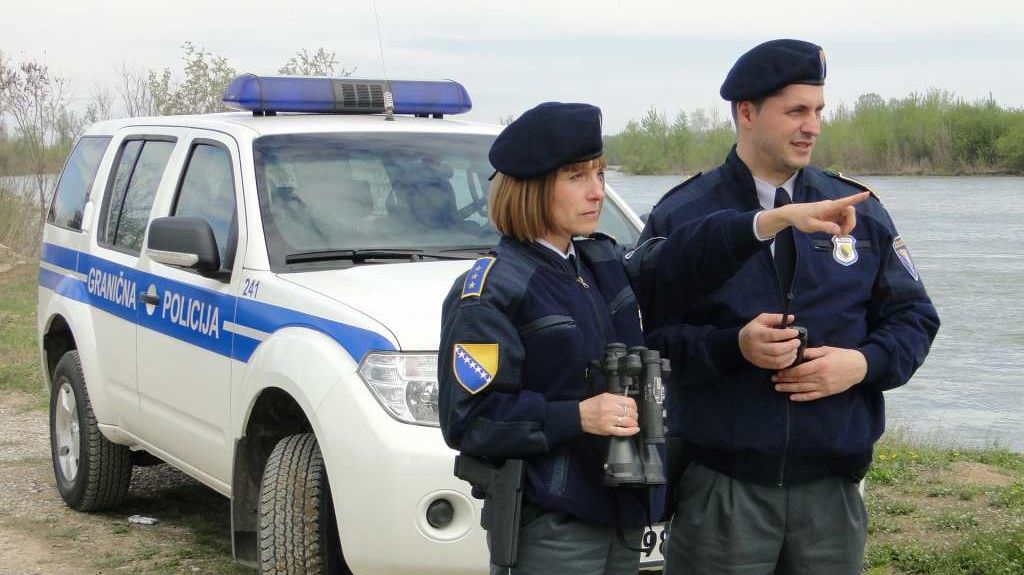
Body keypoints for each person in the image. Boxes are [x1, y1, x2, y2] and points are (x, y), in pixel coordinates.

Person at [438, 101, 873, 575]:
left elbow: (685, 255)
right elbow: (471, 420)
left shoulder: (601, 266)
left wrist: (773, 221)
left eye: (600, 175)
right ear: (532, 186)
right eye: (577, 177)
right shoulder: (492, 291)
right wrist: (578, 415)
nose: (597, 192)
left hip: (621, 515)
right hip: (552, 521)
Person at [630, 39, 941, 575]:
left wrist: (862, 364)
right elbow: (646, 341)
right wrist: (734, 348)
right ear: (746, 113)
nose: (812, 126)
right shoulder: (683, 216)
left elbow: (914, 319)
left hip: (831, 492)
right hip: (722, 489)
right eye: (796, 110)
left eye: (819, 110)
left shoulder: (859, 211)